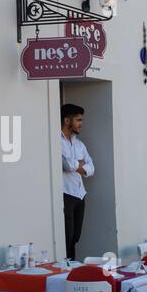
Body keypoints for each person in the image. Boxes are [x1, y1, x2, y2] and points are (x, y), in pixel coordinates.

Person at [61, 103, 93, 261]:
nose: (81, 124)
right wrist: (79, 164)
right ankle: (67, 266)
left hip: (80, 194)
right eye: (78, 120)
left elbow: (92, 168)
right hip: (66, 193)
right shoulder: (57, 141)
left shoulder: (80, 144)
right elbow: (67, 165)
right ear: (67, 121)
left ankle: (71, 264)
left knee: (76, 236)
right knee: (67, 235)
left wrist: (77, 165)